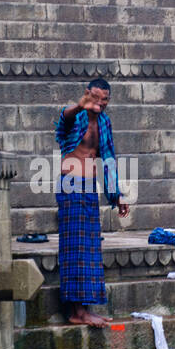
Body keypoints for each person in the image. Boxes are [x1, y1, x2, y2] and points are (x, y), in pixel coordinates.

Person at [55, 79, 130, 326]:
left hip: (89, 188)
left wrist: (116, 195)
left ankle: (85, 309)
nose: (100, 103)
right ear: (87, 94)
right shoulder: (75, 116)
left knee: (89, 249)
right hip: (70, 184)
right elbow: (62, 124)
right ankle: (77, 313)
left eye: (104, 99)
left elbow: (108, 158)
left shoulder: (105, 122)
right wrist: (80, 106)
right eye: (95, 98)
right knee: (76, 249)